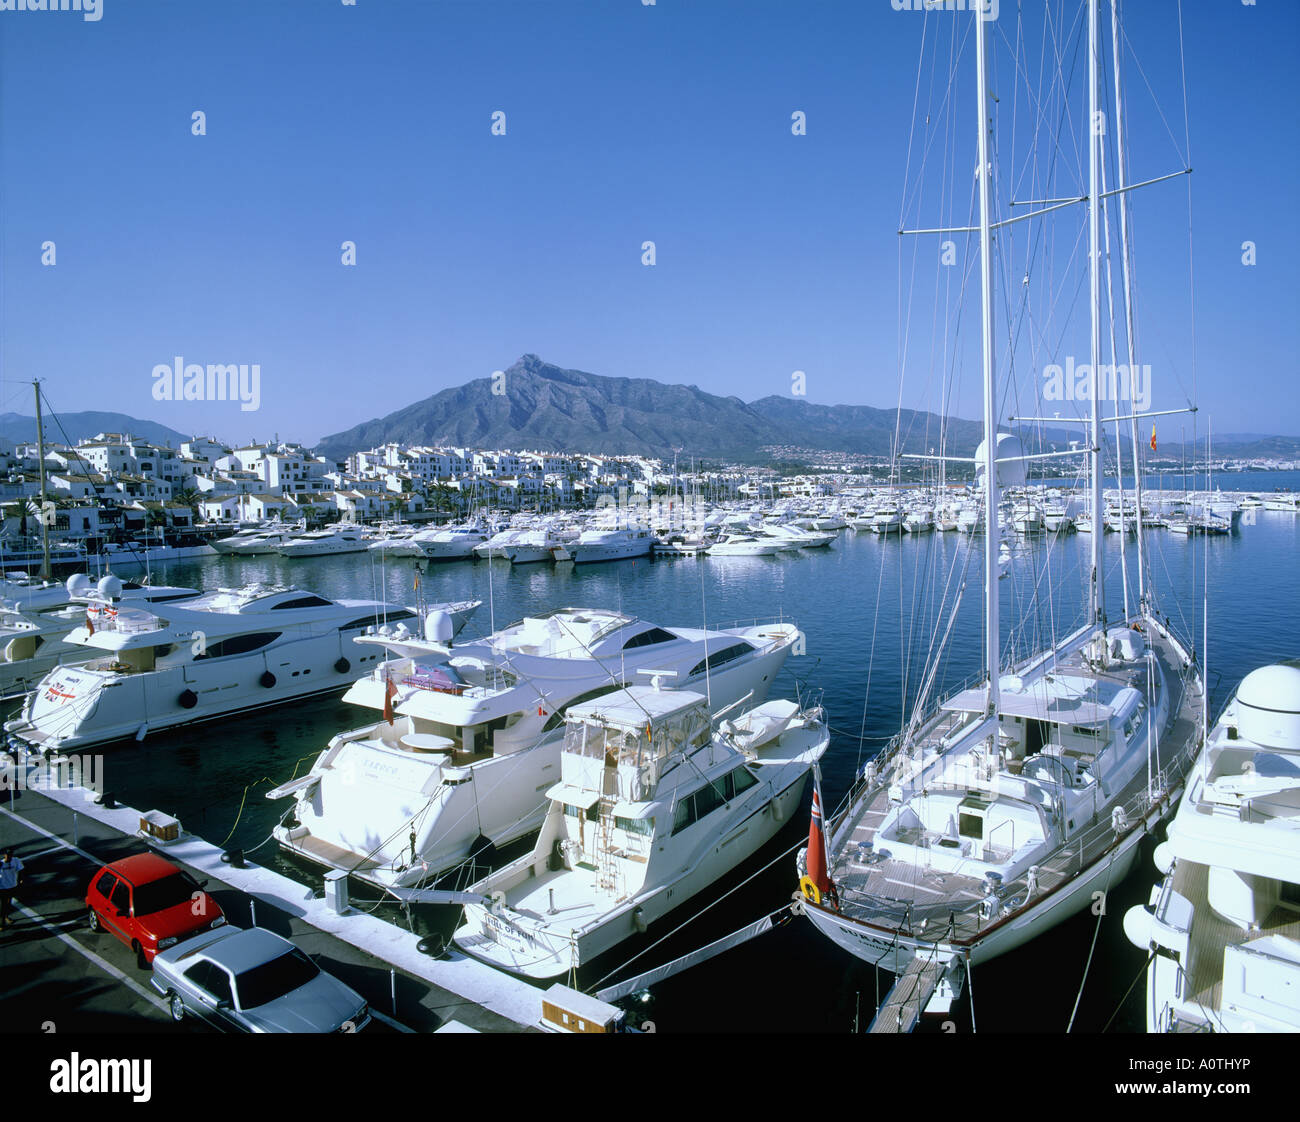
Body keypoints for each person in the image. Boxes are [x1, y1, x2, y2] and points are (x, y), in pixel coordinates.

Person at [0, 848, 22, 929]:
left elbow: (21, 869)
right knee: (3, 905)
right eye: (7, 855)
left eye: (10, 855)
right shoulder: (1, 863)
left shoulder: (16, 860)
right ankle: (1, 923)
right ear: (4, 855)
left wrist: (20, 879)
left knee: (8, 903)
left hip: (12, 885)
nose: (9, 856)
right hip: (2, 887)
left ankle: (6, 917)